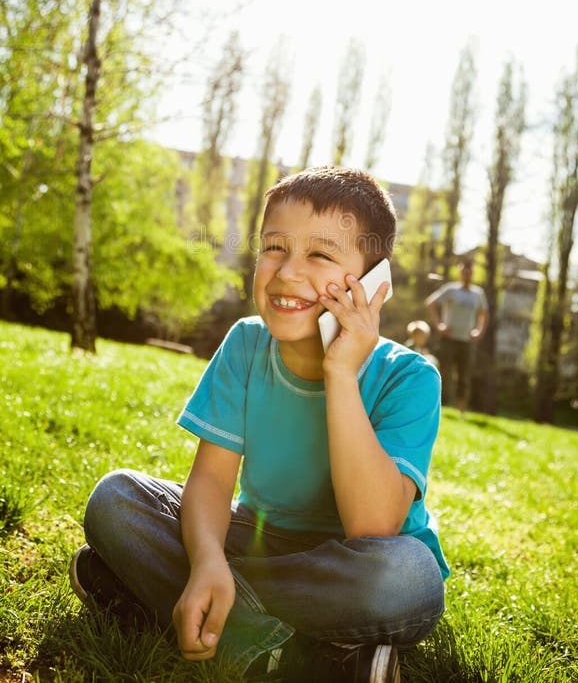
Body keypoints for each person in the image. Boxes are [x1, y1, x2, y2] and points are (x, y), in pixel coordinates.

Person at [69, 166, 449, 683]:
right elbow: (212, 480)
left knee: (408, 578)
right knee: (115, 500)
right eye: (273, 248)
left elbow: (372, 525)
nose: (288, 272)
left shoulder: (409, 377)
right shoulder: (247, 344)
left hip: (360, 562)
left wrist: (340, 372)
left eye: (319, 255)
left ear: (372, 287)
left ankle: (155, 591)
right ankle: (299, 642)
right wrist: (206, 558)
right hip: (256, 536)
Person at [425, 257, 488, 414]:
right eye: (464, 271)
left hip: (466, 340)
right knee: (444, 372)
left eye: (469, 271)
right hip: (449, 339)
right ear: (460, 273)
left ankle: (461, 410)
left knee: (464, 376)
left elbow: (483, 314)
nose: (466, 274)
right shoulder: (451, 290)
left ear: (472, 273)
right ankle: (441, 405)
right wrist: (439, 325)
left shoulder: (478, 294)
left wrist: (479, 331)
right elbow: (430, 303)